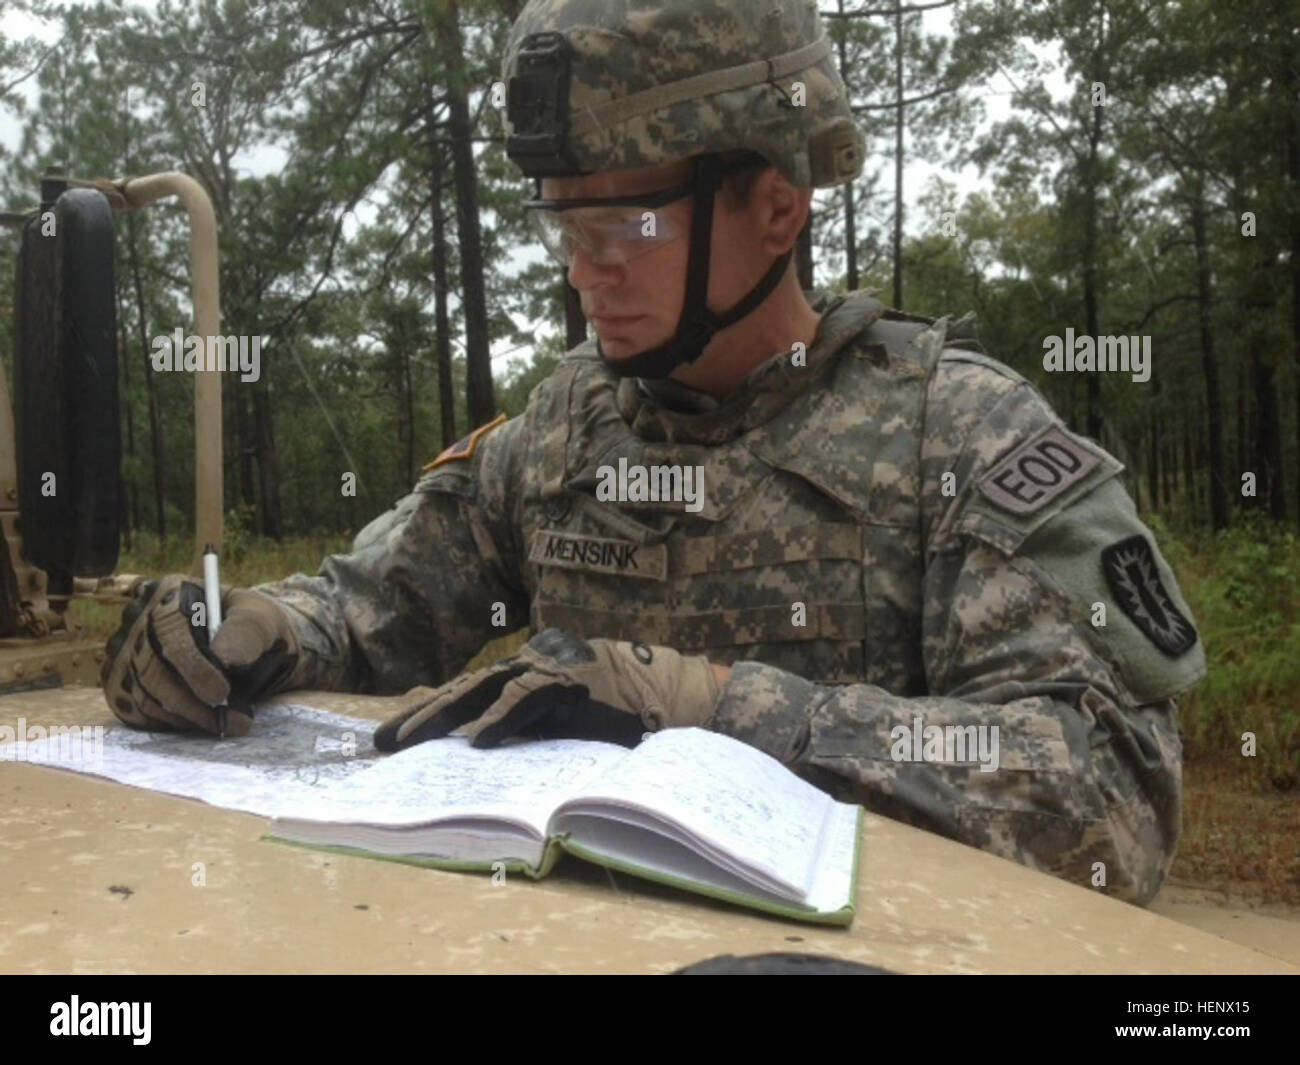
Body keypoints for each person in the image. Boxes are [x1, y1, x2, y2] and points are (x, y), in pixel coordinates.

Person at [101, 0, 1206, 905]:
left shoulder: (957, 439)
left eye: (626, 229)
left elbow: (1107, 794)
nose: (585, 272)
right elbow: (373, 608)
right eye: (564, 230)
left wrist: (714, 706)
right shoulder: (563, 432)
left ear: (779, 208)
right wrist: (249, 634)